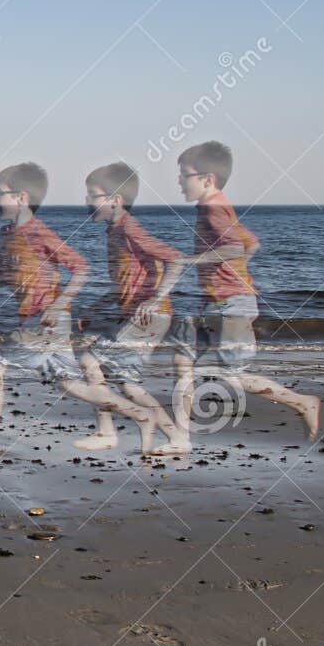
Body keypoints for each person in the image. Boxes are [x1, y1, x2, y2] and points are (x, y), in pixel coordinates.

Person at [174, 141, 320, 439]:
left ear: (207, 179)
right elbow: (251, 244)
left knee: (233, 377)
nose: (179, 181)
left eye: (184, 175)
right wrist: (229, 274)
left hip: (231, 305)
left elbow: (233, 247)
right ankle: (180, 436)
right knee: (182, 361)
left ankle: (303, 402)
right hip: (217, 302)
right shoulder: (217, 206)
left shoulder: (213, 209)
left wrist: (193, 260)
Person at [77, 162, 190, 454]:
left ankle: (108, 432)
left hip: (151, 316)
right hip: (137, 315)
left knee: (91, 361)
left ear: (115, 200)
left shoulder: (128, 228)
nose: (87, 202)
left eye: (93, 196)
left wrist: (153, 300)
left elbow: (176, 259)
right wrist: (96, 306)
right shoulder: (113, 231)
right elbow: (126, 281)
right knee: (127, 384)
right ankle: (176, 438)